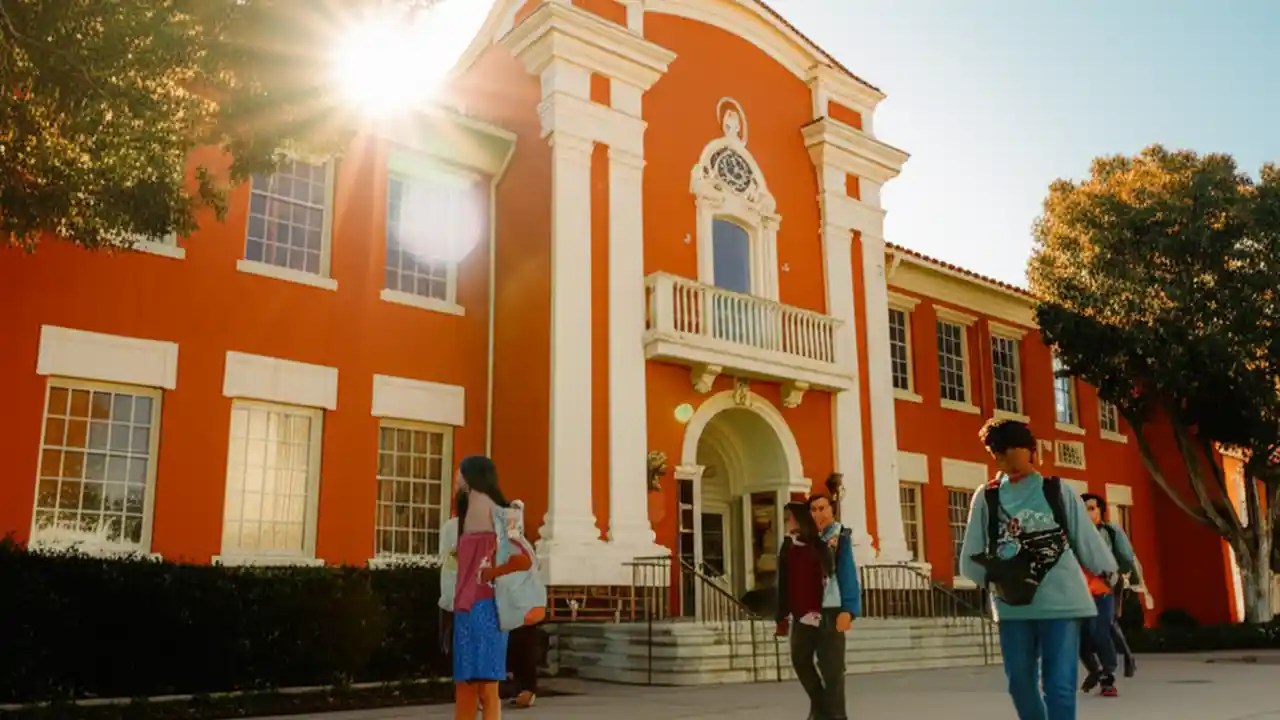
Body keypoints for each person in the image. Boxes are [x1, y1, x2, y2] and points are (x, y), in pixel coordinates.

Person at [960, 419, 1117, 720]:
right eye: (999, 453)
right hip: (1013, 607)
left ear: (1030, 450)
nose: (1007, 459)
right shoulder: (987, 496)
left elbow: (1088, 542)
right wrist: (1002, 583)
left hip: (1061, 603)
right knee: (1019, 683)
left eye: (1012, 451)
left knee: (1058, 686)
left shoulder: (1056, 490)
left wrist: (1108, 575)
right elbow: (970, 558)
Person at [451, 456, 532, 720]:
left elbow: (523, 559)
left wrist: (493, 571)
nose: (456, 477)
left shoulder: (503, 514)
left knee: (485, 685)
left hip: (488, 607)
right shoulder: (463, 515)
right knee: (466, 684)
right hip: (464, 606)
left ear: (471, 476)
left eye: (460, 472)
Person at [775, 502, 837, 720]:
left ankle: (823, 708)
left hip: (817, 613)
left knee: (803, 660)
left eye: (788, 518)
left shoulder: (818, 547)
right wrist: (781, 616)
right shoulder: (788, 548)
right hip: (799, 613)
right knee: (801, 661)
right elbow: (784, 585)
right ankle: (821, 707)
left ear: (798, 520)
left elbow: (830, 578)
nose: (786, 522)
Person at [1078, 493, 1139, 696]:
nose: (1088, 512)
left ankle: (1108, 676)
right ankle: (1094, 670)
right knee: (1080, 639)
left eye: (1092, 508)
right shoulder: (1073, 534)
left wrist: (1117, 575)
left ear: (1100, 511)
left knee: (1100, 632)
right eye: (1084, 508)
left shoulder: (1111, 532)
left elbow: (1127, 558)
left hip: (1104, 592)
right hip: (1078, 594)